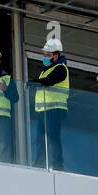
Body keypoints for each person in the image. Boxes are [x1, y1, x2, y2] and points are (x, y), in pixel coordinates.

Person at [31, 38, 70, 170]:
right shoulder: (46, 70)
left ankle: (58, 165)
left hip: (54, 109)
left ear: (56, 55)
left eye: (48, 55)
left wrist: (34, 82)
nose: (45, 57)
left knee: (53, 139)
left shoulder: (61, 68)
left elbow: (49, 81)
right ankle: (40, 163)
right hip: (44, 110)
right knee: (40, 140)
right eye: (44, 54)